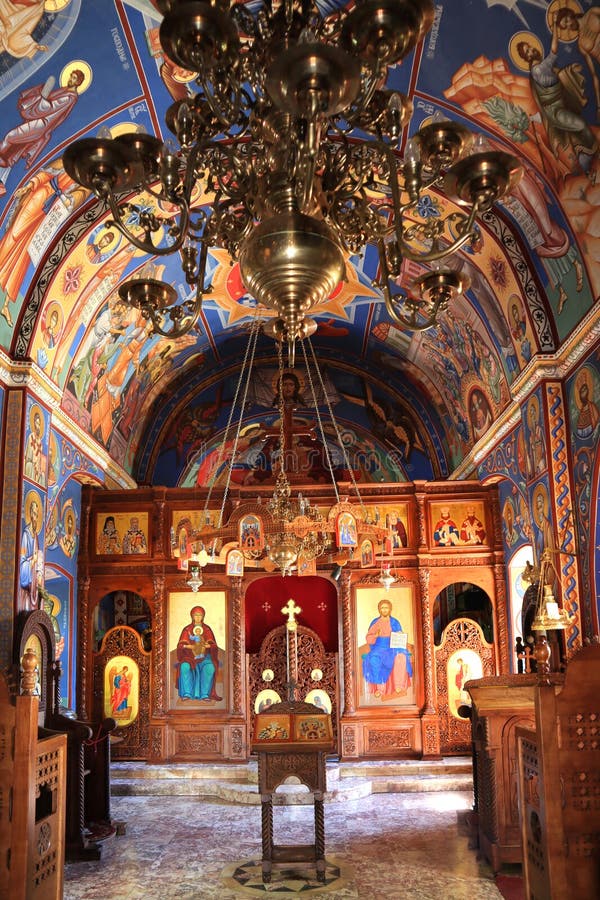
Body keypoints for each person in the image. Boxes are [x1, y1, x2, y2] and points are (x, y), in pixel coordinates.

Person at [0, 68, 86, 194]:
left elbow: (51, 107)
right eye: (70, 76)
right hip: (38, 122)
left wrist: (41, 98)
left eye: (73, 78)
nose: (70, 79)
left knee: (10, 136)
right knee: (15, 149)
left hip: (41, 124)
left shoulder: (70, 97)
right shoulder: (65, 91)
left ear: (78, 82)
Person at [361, 598, 412, 700]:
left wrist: (399, 637)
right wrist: (375, 635)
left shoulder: (394, 622)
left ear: (390, 609)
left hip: (393, 646)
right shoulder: (375, 622)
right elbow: (369, 639)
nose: (384, 610)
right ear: (379, 609)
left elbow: (400, 635)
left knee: (401, 657)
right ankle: (380, 689)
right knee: (374, 659)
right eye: (382, 608)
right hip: (379, 647)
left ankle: (398, 685)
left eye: (386, 608)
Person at [176, 605, 221, 701]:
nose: (198, 617)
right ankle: (187, 693)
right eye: (195, 615)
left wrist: (206, 646)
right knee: (184, 667)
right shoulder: (187, 630)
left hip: (205, 657)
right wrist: (189, 646)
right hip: (189, 657)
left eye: (200, 615)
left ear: (203, 616)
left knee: (210, 667)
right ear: (192, 616)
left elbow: (213, 645)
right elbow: (180, 646)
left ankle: (205, 694)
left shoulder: (207, 629)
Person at [19, 494, 42, 610]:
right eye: (33, 513)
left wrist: (39, 573)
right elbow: (21, 562)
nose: (35, 517)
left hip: (34, 583)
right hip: (27, 581)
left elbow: (39, 558)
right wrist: (32, 561)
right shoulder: (25, 534)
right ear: (29, 514)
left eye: (37, 514)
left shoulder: (36, 536)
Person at [24, 407, 45, 485]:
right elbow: (27, 458)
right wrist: (33, 464)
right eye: (36, 423)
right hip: (29, 466)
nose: (38, 426)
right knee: (30, 466)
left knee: (43, 475)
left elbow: (39, 461)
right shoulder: (31, 437)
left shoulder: (40, 443)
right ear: (33, 423)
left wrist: (39, 469)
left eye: (39, 424)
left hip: (37, 470)